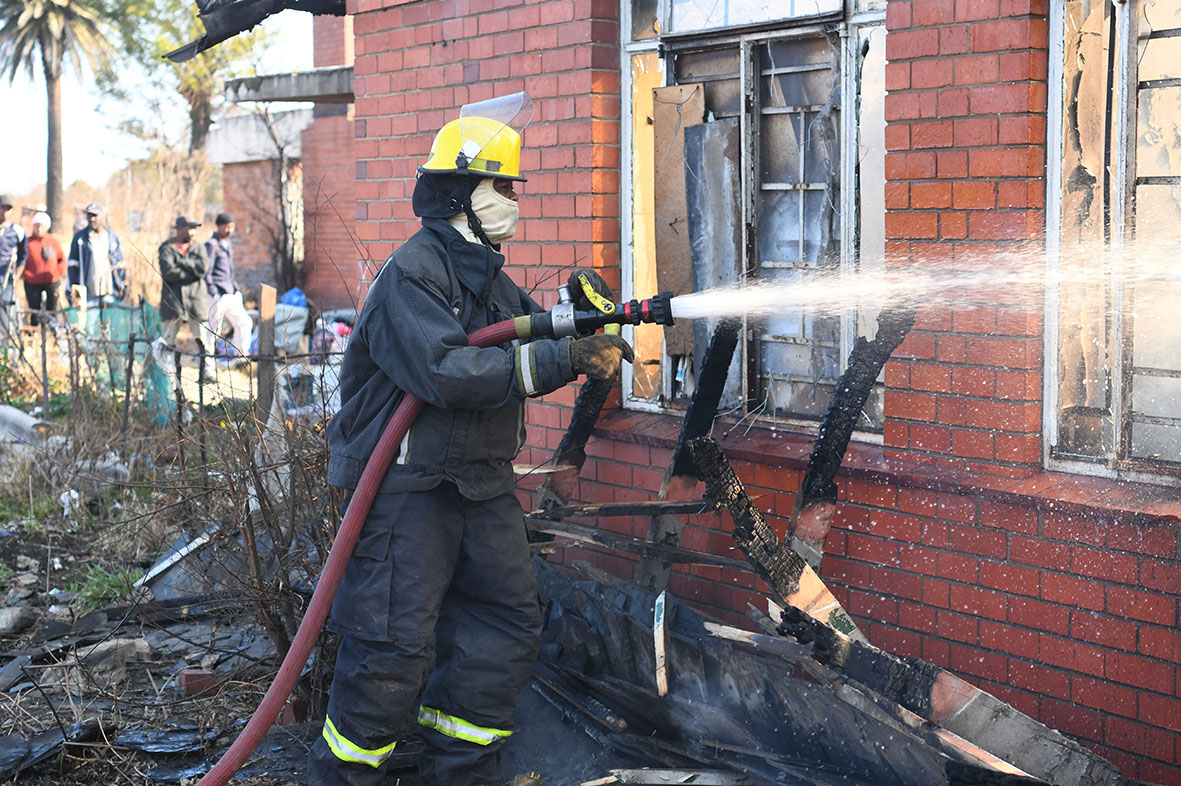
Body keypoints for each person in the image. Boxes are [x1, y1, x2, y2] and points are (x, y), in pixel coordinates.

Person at [307, 93, 632, 786]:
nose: (514, 201)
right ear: (460, 193)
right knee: (390, 650)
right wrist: (565, 359)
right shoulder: (412, 275)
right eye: (502, 188)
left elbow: (529, 333)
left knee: (504, 628)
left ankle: (462, 775)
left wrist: (581, 319)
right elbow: (447, 371)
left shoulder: (485, 276)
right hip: (407, 491)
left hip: (480, 486)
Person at [203, 212, 253, 364]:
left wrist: (236, 289)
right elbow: (207, 271)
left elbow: (229, 270)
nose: (230, 230)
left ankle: (241, 359)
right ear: (219, 226)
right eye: (227, 227)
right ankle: (208, 363)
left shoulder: (227, 243)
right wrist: (213, 291)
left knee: (244, 322)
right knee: (213, 330)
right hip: (217, 293)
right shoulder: (212, 245)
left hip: (230, 292)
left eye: (232, 227)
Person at [158, 215, 212, 351]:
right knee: (167, 342)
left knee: (203, 343)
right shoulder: (167, 248)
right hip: (173, 301)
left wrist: (182, 262)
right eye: (190, 228)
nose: (193, 232)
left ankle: (205, 365)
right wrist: (191, 273)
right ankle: (167, 365)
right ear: (180, 228)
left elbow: (202, 269)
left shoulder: (199, 248)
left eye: (195, 229)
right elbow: (168, 272)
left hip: (195, 300)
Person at [67, 202, 126, 304]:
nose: (92, 219)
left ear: (103, 216)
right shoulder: (80, 239)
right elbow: (72, 265)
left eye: (95, 215)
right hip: (88, 296)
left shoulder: (112, 238)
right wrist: (76, 290)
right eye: (89, 215)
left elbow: (120, 265)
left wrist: (120, 285)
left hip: (110, 294)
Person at [21, 212, 66, 324]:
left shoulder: (53, 242)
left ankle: (52, 329)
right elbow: (21, 261)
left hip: (51, 281)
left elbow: (61, 259)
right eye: (37, 226)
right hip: (32, 282)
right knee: (34, 310)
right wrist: (26, 275)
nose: (39, 229)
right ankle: (34, 330)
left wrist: (58, 274)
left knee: (52, 310)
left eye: (42, 226)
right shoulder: (28, 242)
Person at [0, 195, 27, 344]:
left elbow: (24, 256)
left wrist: (17, 275)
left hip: (7, 282)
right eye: (2, 208)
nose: (4, 212)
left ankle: (11, 350)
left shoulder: (17, 231)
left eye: (7, 209)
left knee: (10, 317)